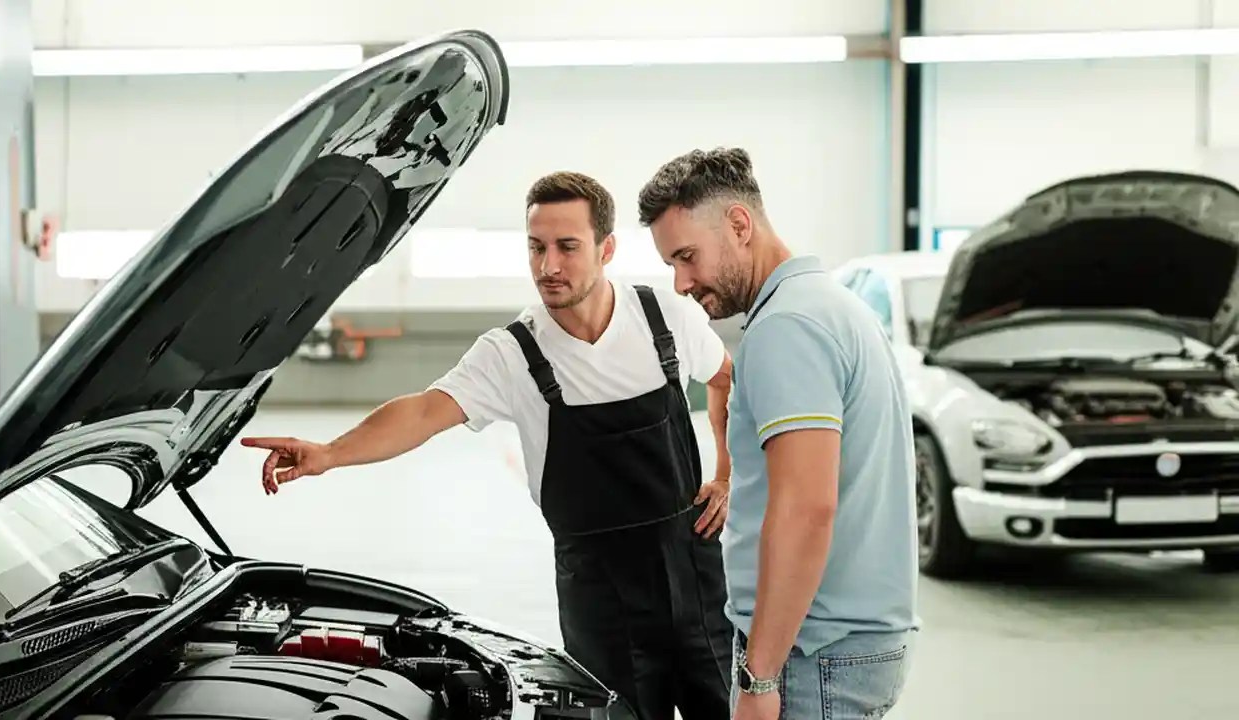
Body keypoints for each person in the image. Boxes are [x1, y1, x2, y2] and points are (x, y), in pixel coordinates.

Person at [241, 171, 737, 720]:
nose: (549, 266)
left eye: (568, 247)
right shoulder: (511, 354)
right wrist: (330, 453)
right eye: (536, 247)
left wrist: (727, 472)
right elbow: (426, 411)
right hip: (601, 603)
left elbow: (725, 379)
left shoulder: (665, 319)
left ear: (607, 248)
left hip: (695, 585)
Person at [635, 147, 920, 720]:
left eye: (687, 257)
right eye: (671, 264)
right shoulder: (831, 304)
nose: (681, 282)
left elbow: (806, 508)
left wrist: (760, 677)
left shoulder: (786, 328)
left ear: (739, 225)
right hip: (847, 640)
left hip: (813, 653)